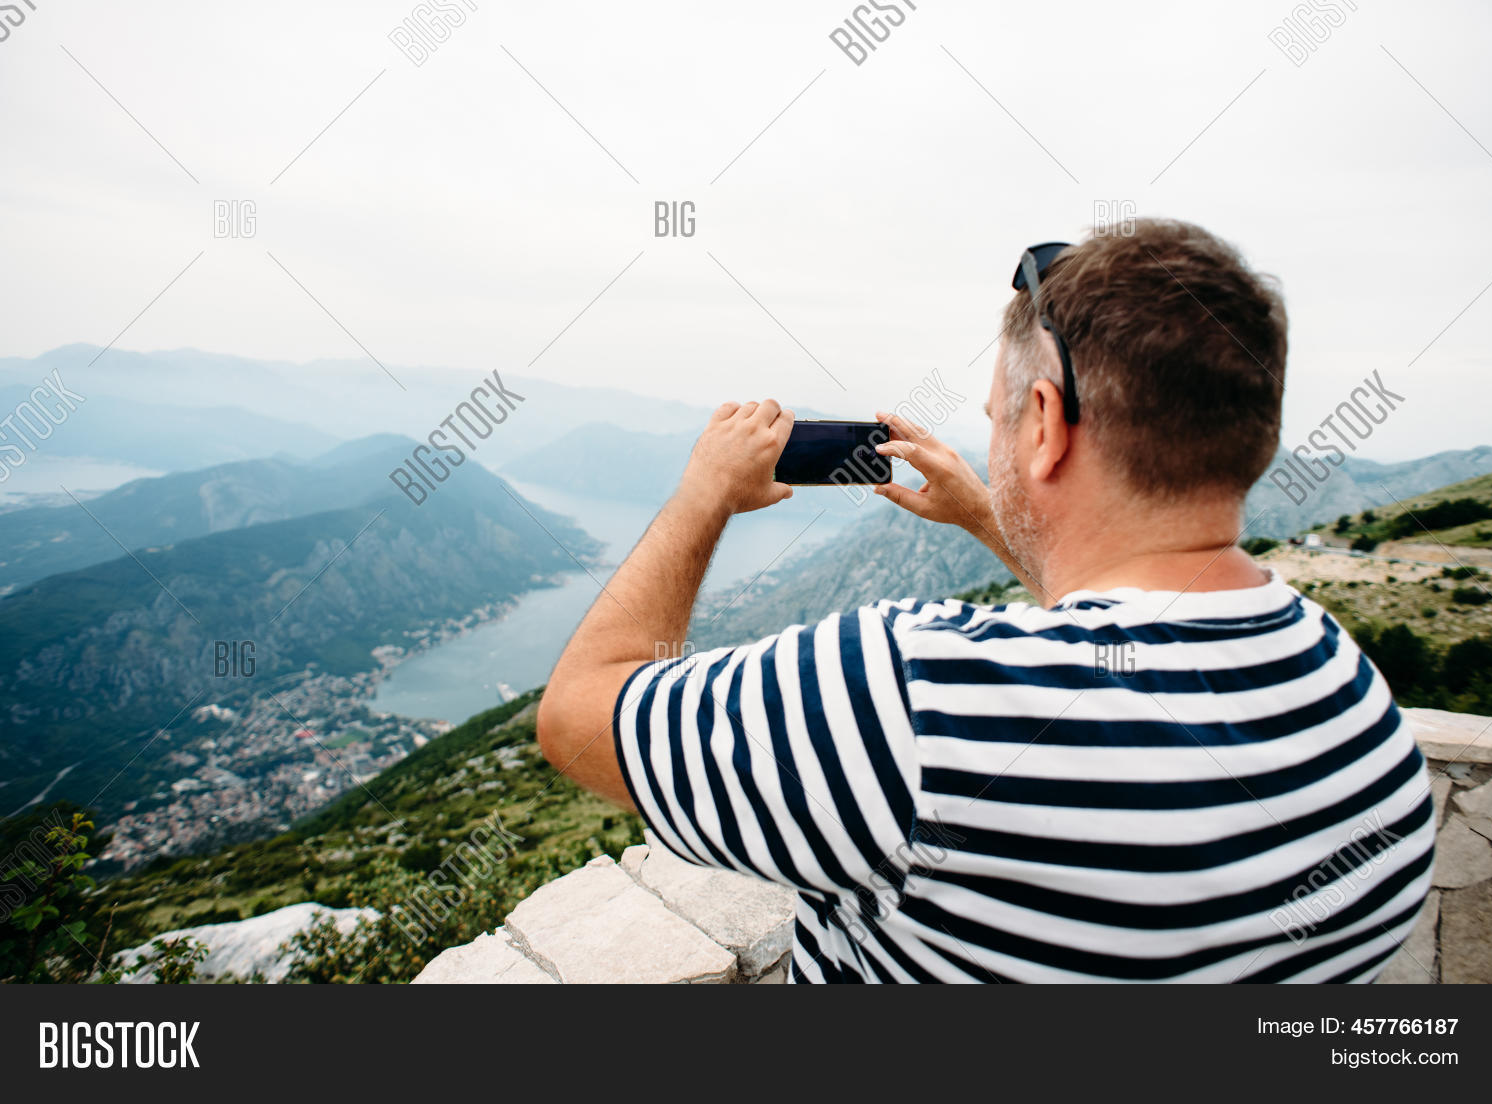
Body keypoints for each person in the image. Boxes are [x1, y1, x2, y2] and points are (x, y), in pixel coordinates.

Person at [536, 218, 1436, 983]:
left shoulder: (914, 699)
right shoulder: (1361, 715)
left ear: (1045, 424)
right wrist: (988, 516)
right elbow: (1126, 644)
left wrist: (702, 497)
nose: (993, 437)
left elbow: (577, 717)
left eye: (1000, 417)